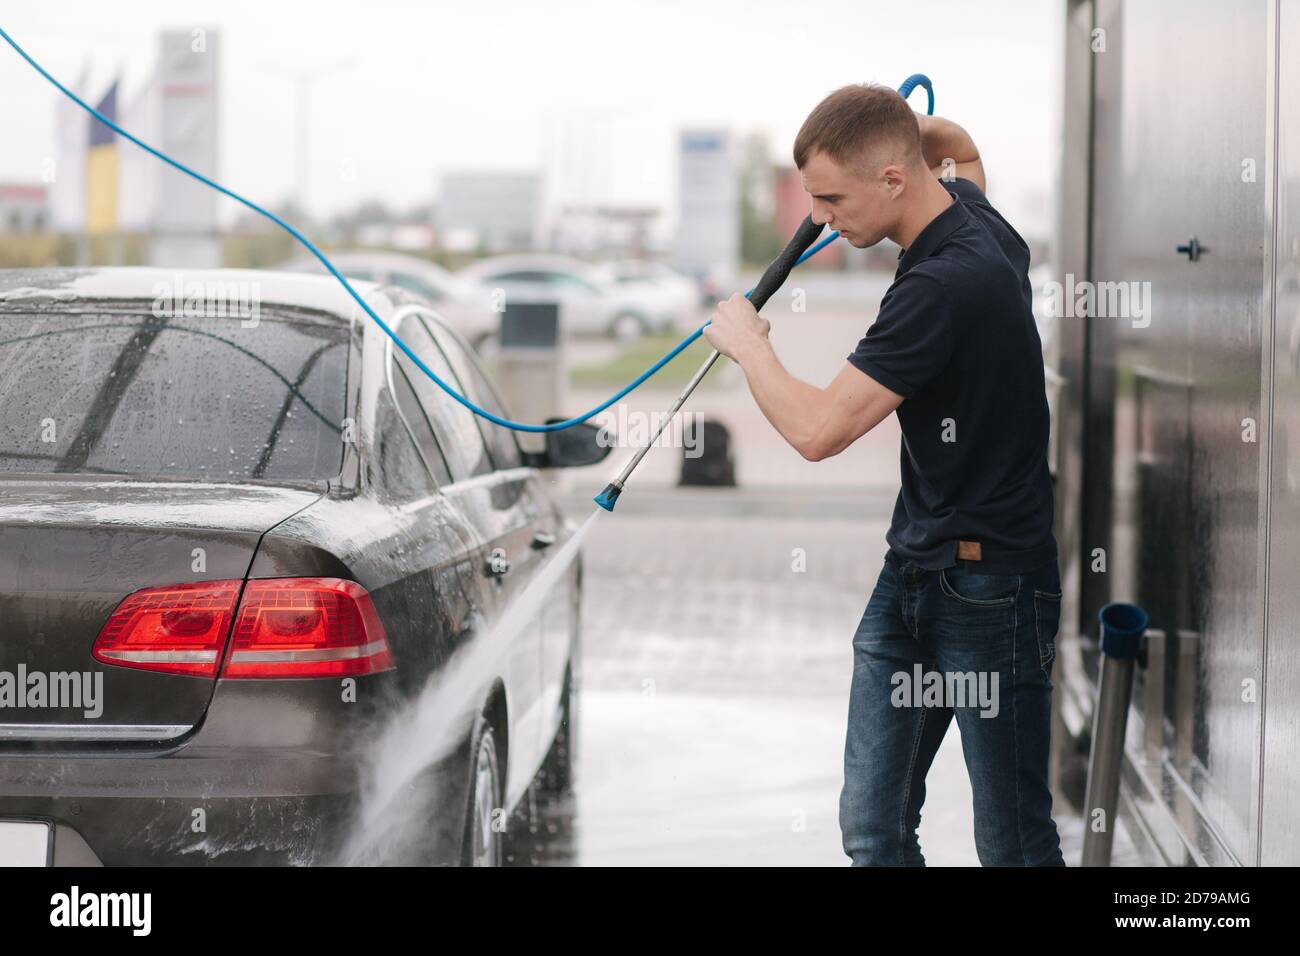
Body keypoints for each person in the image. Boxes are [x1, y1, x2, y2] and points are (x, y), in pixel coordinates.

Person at [703, 83, 1064, 866]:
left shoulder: (943, 286)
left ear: (895, 180)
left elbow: (817, 431)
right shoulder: (978, 218)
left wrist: (750, 344)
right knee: (872, 829)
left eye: (831, 199)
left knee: (1013, 843)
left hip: (993, 593)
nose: (821, 220)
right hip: (913, 573)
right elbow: (960, 148)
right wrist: (907, 129)